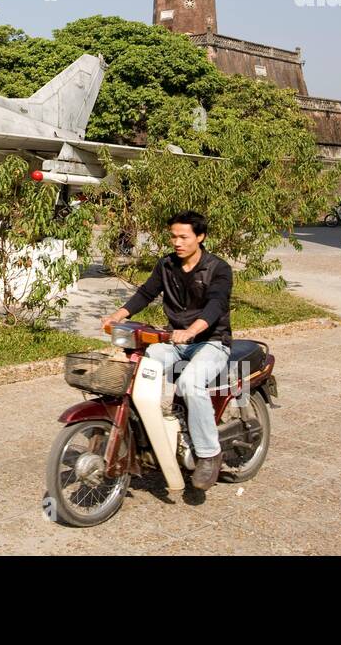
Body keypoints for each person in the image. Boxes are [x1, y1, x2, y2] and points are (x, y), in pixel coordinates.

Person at [101, 210, 233, 489]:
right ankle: (149, 431)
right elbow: (146, 293)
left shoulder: (218, 268)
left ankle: (209, 454)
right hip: (175, 342)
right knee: (138, 366)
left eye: (184, 237)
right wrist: (118, 315)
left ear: (200, 237)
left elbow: (216, 304)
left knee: (190, 382)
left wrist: (193, 330)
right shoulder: (167, 265)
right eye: (173, 236)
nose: (177, 242)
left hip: (211, 342)